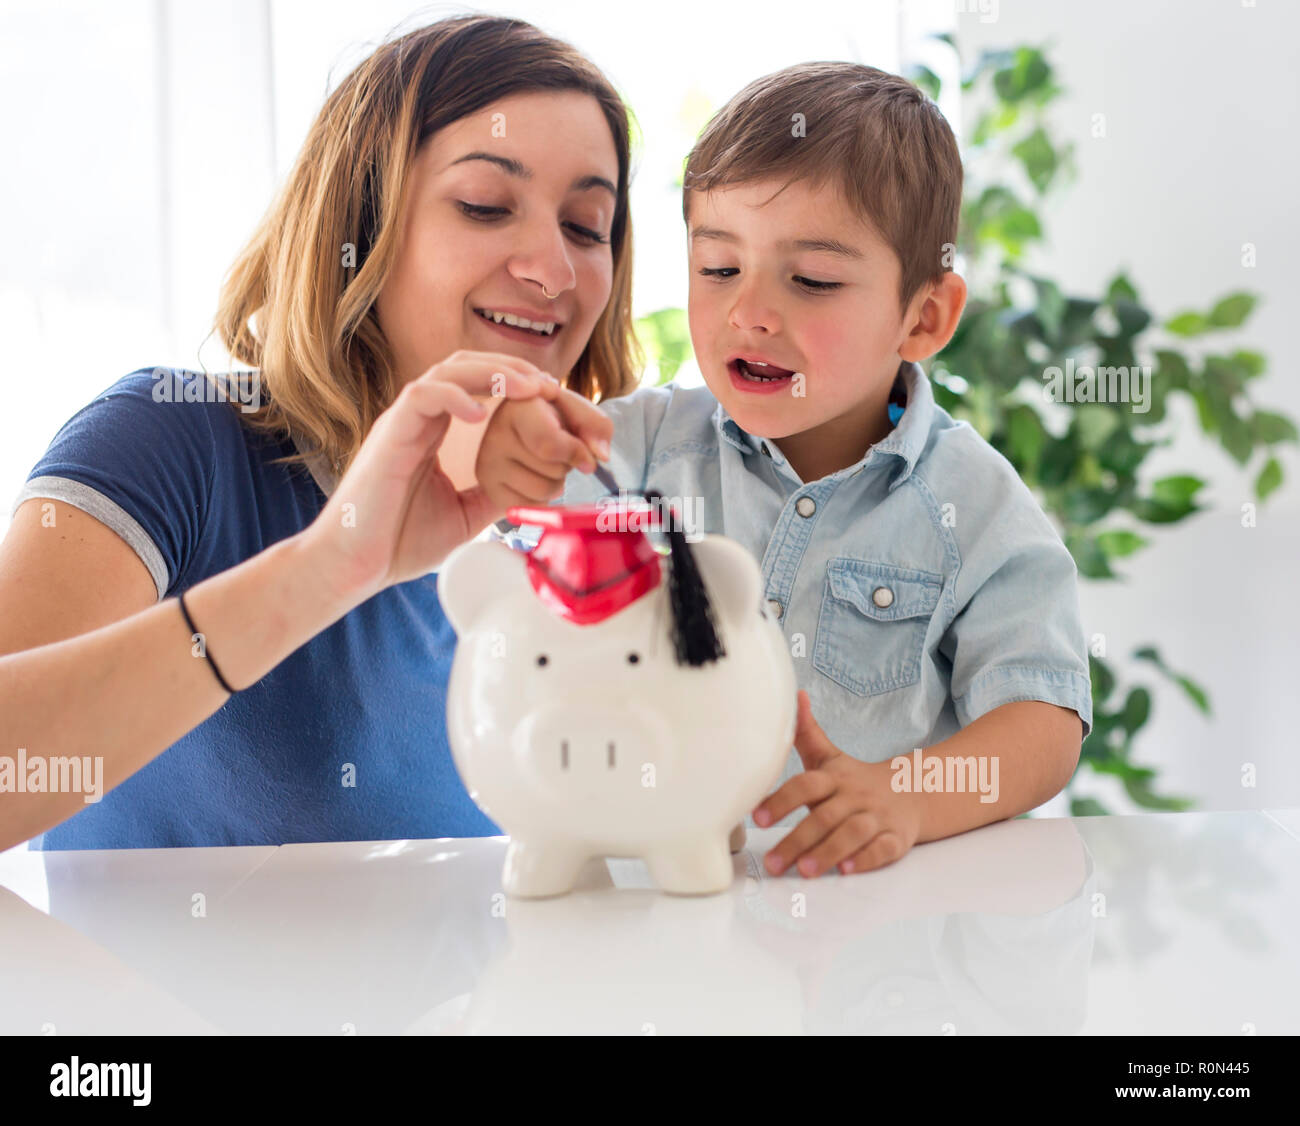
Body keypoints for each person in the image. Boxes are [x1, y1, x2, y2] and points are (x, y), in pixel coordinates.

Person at [0, 14, 620, 853]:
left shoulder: (564, 543)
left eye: (587, 227)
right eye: (484, 205)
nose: (553, 270)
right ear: (358, 225)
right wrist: (330, 567)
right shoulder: (174, 438)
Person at [476, 62, 1094, 878]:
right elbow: (497, 557)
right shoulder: (629, 450)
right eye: (719, 268)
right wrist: (503, 438)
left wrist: (906, 794)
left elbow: (1042, 716)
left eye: (812, 280)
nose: (751, 312)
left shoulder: (974, 504)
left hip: (863, 936)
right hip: (649, 921)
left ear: (924, 316)